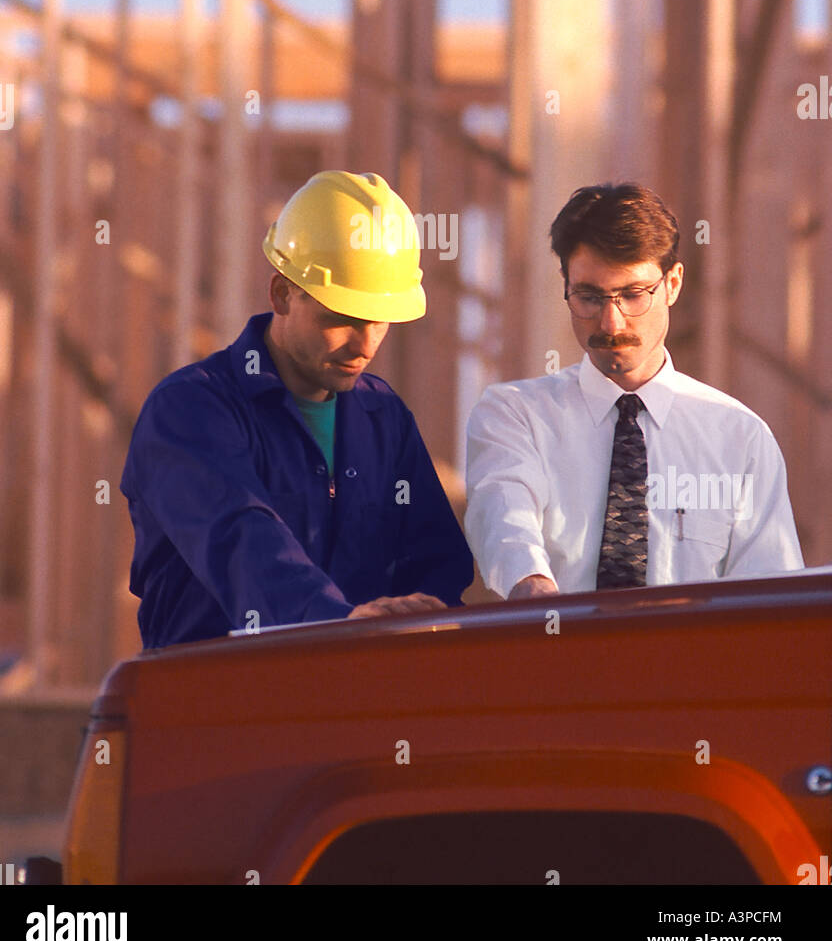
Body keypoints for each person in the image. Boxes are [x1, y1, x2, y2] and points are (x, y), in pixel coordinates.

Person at [122, 170, 473, 647]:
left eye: (379, 320)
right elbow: (240, 538)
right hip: (208, 706)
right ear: (282, 294)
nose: (365, 343)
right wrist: (334, 620)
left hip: (352, 703)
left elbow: (433, 559)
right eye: (340, 318)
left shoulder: (382, 416)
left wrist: (425, 615)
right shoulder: (190, 412)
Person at [465, 182, 804, 600]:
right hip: (556, 659)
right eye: (589, 297)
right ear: (565, 285)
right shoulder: (515, 416)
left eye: (632, 295)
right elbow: (504, 517)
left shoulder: (740, 437)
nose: (611, 323)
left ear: (673, 284)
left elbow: (767, 597)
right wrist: (532, 587)